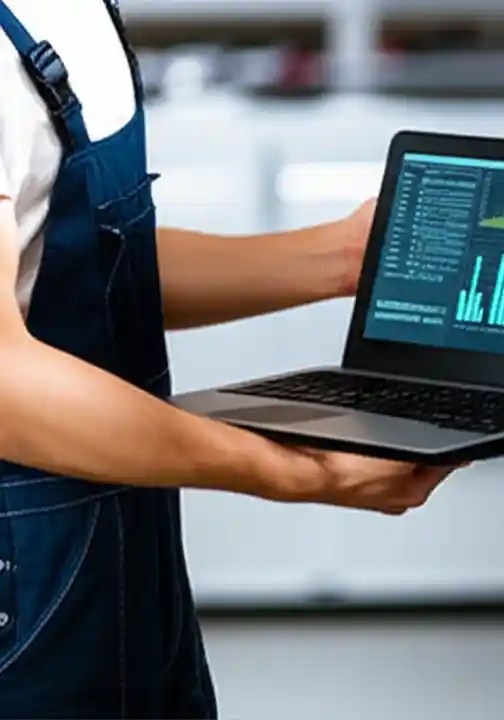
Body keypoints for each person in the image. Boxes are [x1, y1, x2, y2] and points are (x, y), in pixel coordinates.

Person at [0, 1, 460, 716]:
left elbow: (79, 269)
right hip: (25, 584)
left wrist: (343, 257)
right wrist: (286, 468)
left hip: (127, 555)